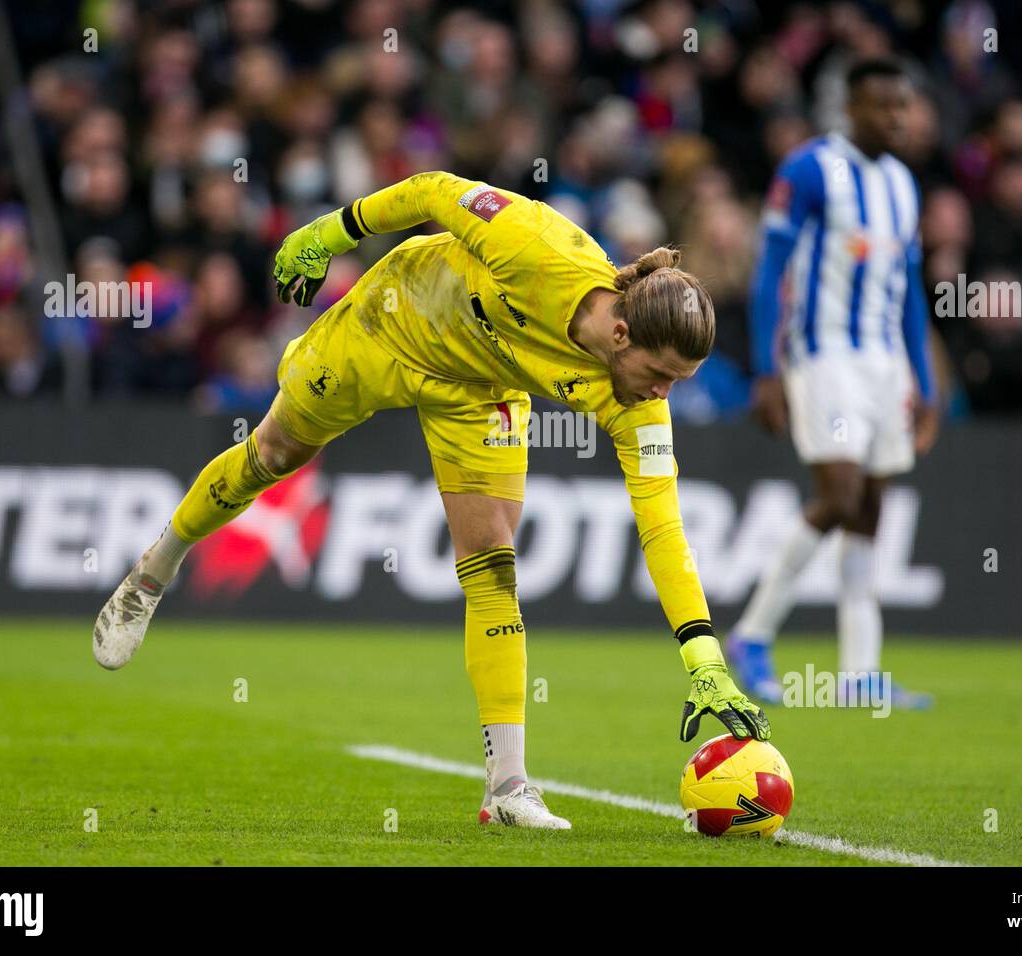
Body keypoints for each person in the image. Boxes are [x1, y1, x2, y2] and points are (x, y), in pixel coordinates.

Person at [92, 170, 770, 828]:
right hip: (390, 324)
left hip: (480, 391)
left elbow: (662, 526)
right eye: (659, 376)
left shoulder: (639, 407)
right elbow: (431, 190)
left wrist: (702, 655)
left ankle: (507, 786)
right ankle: (156, 567)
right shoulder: (536, 246)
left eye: (677, 382)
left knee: (493, 560)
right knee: (273, 454)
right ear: (621, 334)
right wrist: (333, 233)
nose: (662, 396)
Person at [729, 59, 939, 708]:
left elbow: (909, 298)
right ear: (851, 107)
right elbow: (769, 273)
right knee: (840, 492)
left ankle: (859, 672)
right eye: (882, 106)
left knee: (870, 507)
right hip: (823, 356)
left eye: (902, 106)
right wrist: (768, 368)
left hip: (884, 364)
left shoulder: (904, 184)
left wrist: (923, 382)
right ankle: (752, 636)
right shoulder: (810, 170)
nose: (896, 118)